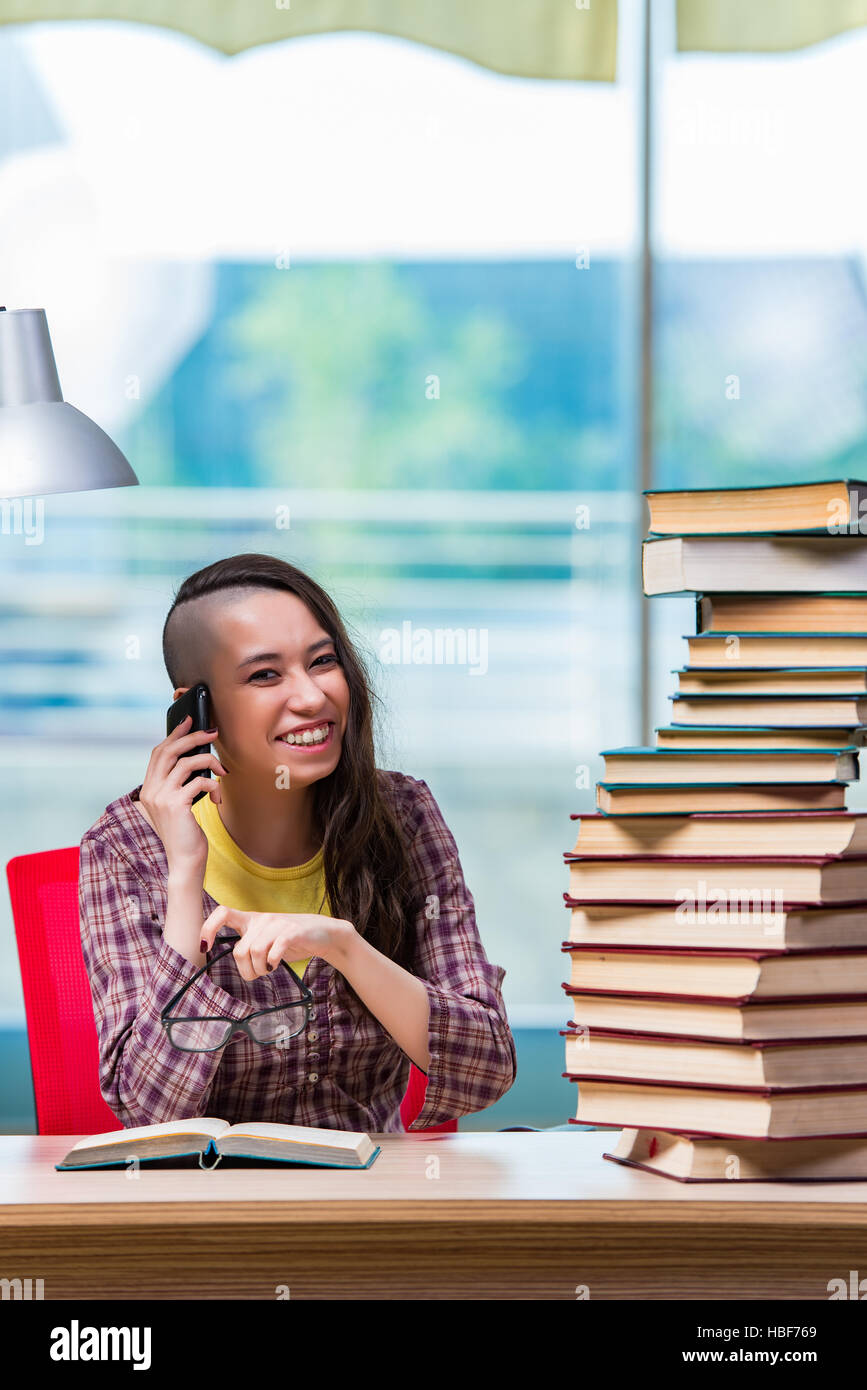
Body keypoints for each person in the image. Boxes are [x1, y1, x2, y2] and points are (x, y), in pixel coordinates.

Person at [79, 552, 517, 1133]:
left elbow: (487, 1065)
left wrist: (346, 948)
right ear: (195, 709)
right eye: (265, 675)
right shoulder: (126, 849)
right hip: (206, 1207)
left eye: (323, 662)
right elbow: (148, 1111)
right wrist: (185, 876)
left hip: (370, 1200)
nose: (312, 698)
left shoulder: (404, 816)